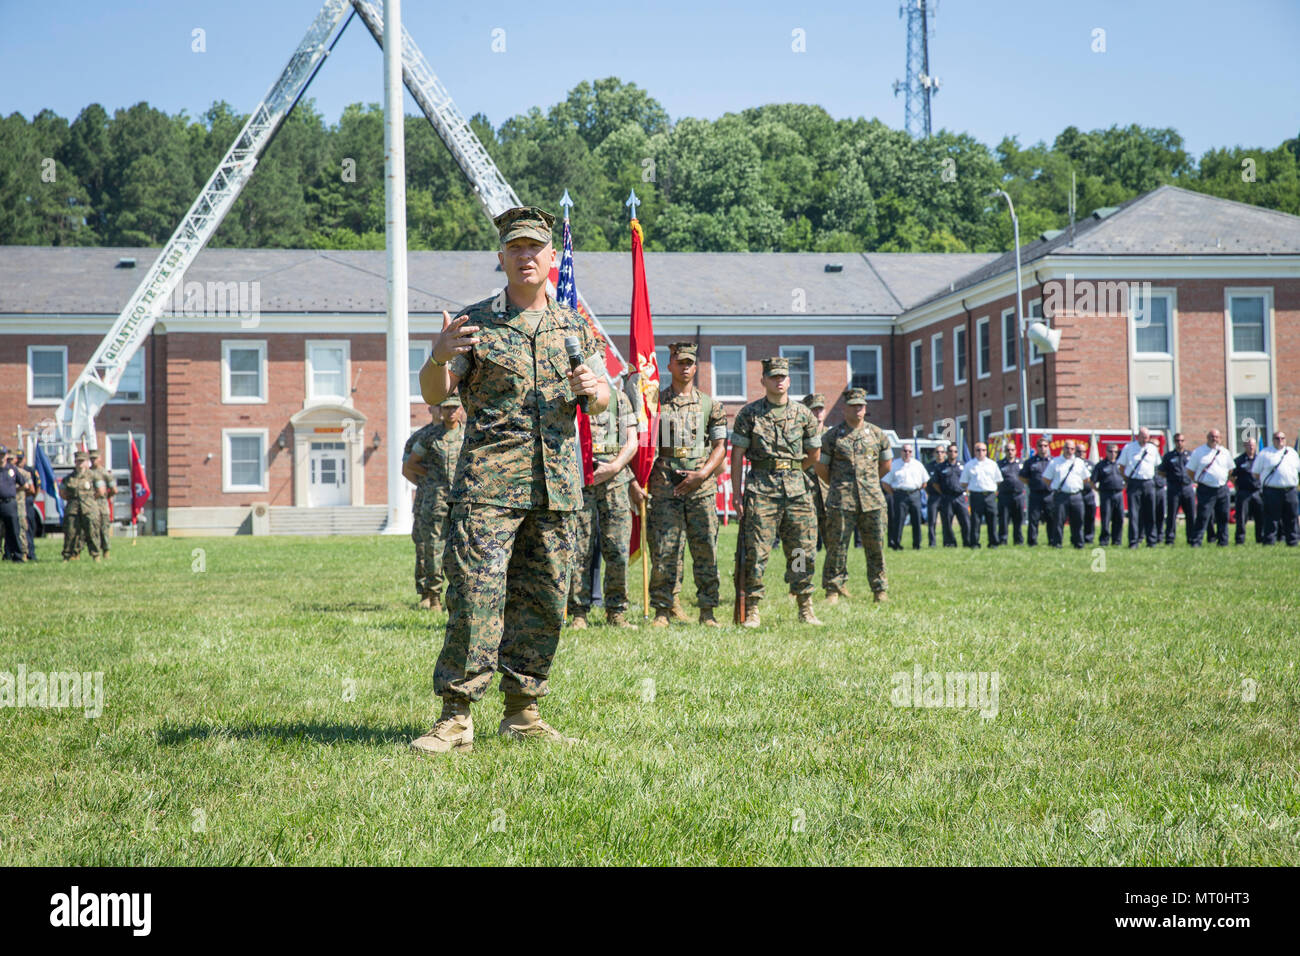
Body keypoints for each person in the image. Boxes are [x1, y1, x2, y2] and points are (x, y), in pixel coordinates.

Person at [410, 204, 609, 755]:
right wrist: (437, 354)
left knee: (545, 598)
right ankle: (456, 716)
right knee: (477, 596)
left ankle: (523, 711)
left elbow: (603, 397)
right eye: (515, 248)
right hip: (489, 487)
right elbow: (434, 392)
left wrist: (595, 388)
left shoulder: (574, 324)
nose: (526, 256)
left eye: (535, 248)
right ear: (501, 258)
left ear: (552, 257)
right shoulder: (473, 324)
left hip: (557, 486)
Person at [731, 356, 824, 627]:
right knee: (757, 551)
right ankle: (753, 609)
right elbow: (737, 456)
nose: (779, 381)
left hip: (797, 491)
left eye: (783, 377)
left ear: (789, 380)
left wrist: (793, 469)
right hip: (761, 489)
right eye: (773, 377)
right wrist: (737, 494)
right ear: (763, 381)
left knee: (800, 549)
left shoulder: (804, 414)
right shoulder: (749, 414)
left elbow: (813, 455)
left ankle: (804, 604)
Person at [647, 342, 728, 627]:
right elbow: (647, 444)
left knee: (705, 549)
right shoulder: (655, 402)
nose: (685, 367)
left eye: (690, 362)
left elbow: (720, 446)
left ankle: (707, 611)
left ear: (696, 367)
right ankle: (662, 609)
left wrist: (703, 474)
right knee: (665, 549)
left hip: (700, 488)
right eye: (679, 361)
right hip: (665, 487)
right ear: (669, 365)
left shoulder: (710, 404)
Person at [568, 376, 640, 629]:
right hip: (580, 480)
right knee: (579, 550)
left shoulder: (619, 398)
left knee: (618, 548)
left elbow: (632, 440)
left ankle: (616, 611)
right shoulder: (570, 396)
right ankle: (578, 612)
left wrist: (615, 467)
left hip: (614, 480)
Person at [816, 387, 892, 605]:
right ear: (844, 409)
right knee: (837, 546)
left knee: (875, 546)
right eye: (853, 406)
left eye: (861, 406)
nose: (858, 410)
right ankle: (833, 588)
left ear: (865, 408)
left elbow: (886, 465)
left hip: (872, 500)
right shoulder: (832, 436)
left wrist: (868, 483)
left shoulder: (877, 434)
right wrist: (839, 485)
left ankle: (879, 589)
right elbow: (821, 468)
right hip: (841, 500)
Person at [403, 396, 463, 611]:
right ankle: (433, 596)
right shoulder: (429, 437)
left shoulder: (468, 435)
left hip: (462, 502)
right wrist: (430, 479)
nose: (450, 412)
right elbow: (410, 465)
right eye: (446, 408)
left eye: (454, 407)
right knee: (432, 548)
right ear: (438, 410)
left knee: (462, 549)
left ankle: (459, 596)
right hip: (436, 501)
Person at [1252, 430, 1299, 546]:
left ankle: (1292, 541)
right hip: (1272, 490)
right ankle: (1269, 541)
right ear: (1273, 440)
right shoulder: (1265, 453)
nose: (1280, 441)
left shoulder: (1292, 453)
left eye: (1282, 438)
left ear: (1285, 440)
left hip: (1290, 490)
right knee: (1271, 518)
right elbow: (1256, 473)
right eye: (1277, 438)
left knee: (1291, 517)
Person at [1042, 439, 1091, 548]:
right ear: (1063, 449)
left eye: (1072, 449)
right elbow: (1046, 478)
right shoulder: (1055, 462)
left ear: (1074, 450)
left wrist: (1075, 485)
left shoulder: (1079, 462)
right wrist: (1056, 486)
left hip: (1076, 495)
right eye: (1067, 448)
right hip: (1061, 496)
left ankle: (1078, 543)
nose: (1069, 451)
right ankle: (1057, 543)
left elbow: (1086, 478)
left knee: (1078, 521)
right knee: (1058, 521)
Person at [1187, 429, 1232, 547]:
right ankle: (1196, 541)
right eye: (1212, 436)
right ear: (1207, 438)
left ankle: (1223, 541)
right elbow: (1190, 470)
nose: (1214, 439)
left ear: (1220, 439)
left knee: (1223, 516)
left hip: (1222, 488)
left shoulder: (1225, 452)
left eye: (1217, 437)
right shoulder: (1199, 452)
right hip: (1206, 489)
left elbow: (1230, 469)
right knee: (1203, 516)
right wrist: (1200, 481)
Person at [1118, 426, 1160, 548]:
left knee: (1150, 513)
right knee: (1134, 514)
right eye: (1143, 437)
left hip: (1148, 483)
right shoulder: (1129, 448)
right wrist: (1127, 479)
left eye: (1147, 437)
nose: (1145, 440)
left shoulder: (1152, 449)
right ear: (1138, 436)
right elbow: (1121, 466)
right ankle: (1133, 541)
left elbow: (1157, 465)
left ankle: (1151, 541)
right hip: (1134, 483)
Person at [885, 443, 927, 550]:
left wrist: (916, 491)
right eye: (905, 451)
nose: (907, 453)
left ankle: (917, 544)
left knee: (917, 520)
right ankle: (896, 544)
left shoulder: (918, 465)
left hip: (914, 494)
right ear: (901, 452)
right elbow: (885, 483)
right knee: (898, 520)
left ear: (912, 453)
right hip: (900, 495)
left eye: (909, 451)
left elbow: (924, 482)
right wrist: (894, 494)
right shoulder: (894, 464)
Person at [959, 441, 1001, 548]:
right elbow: (963, 482)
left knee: (992, 519)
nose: (981, 452)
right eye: (978, 450)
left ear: (986, 451)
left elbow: (998, 480)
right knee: (975, 520)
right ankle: (974, 543)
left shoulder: (993, 464)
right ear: (975, 451)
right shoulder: (969, 465)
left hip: (990, 495)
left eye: (983, 450)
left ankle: (993, 543)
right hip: (976, 496)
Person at [927, 443, 970, 547]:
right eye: (950, 451)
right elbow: (935, 483)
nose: (952, 453)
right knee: (947, 523)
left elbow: (968, 479)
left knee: (965, 521)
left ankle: (968, 542)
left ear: (957, 453)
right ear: (947, 453)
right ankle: (949, 543)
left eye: (955, 451)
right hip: (947, 497)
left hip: (960, 497)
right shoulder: (940, 467)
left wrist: (965, 490)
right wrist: (943, 493)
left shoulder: (963, 465)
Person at [60, 452, 99, 561]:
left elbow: (101, 491)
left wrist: (89, 500)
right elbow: (62, 492)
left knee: (92, 532)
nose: (80, 464)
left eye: (82, 461)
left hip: (89, 508)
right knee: (70, 532)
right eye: (78, 461)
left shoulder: (93, 476)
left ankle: (95, 555)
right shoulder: (69, 478)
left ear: (87, 462)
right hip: (73, 508)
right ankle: (68, 555)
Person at [803, 392, 830, 550]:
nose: (818, 413)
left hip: (828, 493)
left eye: (820, 409)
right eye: (814, 410)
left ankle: (835, 574)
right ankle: (799, 571)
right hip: (806, 492)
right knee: (802, 541)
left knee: (833, 543)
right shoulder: (798, 436)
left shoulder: (832, 436)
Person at [1159, 432, 1195, 545]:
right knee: (1171, 515)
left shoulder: (1190, 455)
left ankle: (1192, 539)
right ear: (1174, 442)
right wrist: (1171, 478)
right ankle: (1170, 539)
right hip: (1174, 489)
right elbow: (1161, 471)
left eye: (1182, 440)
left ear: (1184, 442)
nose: (1180, 443)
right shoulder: (1169, 456)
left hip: (1188, 488)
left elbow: (1196, 469)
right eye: (1177, 441)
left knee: (1190, 515)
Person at [1019, 437, 1053, 546]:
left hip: (1050, 494)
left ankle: (1052, 541)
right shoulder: (1030, 462)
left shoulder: (1053, 462)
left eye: (1045, 446)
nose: (1043, 448)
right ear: (1037, 447)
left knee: (1051, 519)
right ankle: (1032, 542)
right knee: (1033, 520)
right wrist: (1032, 484)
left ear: (1048, 447)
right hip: (1035, 494)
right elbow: (1022, 477)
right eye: (1040, 446)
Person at [1091, 443, 1127, 546]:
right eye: (1110, 451)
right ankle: (1104, 541)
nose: (1113, 454)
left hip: (1119, 494)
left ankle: (1117, 541)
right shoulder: (1101, 465)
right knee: (1106, 519)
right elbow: (1092, 481)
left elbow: (1127, 478)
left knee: (1119, 518)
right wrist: (1098, 490)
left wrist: (1124, 487)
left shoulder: (1121, 465)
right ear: (1106, 452)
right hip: (1106, 494)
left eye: (1115, 452)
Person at [1232, 438, 1264, 545]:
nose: (1251, 447)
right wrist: (1237, 485)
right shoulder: (1239, 460)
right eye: (1248, 445)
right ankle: (1240, 540)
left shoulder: (1260, 459)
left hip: (1257, 492)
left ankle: (1260, 539)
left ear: (1255, 446)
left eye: (1253, 445)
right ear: (1244, 446)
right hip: (1243, 492)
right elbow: (1231, 475)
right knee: (1241, 518)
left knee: (1260, 517)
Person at [996, 440, 1026, 546]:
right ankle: (1002, 540)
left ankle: (1018, 541)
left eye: (1012, 450)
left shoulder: (1021, 463)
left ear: (1015, 451)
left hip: (1018, 495)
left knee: (1018, 520)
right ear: (1005, 451)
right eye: (1008, 450)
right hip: (1004, 496)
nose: (1010, 452)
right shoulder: (999, 464)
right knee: (1003, 520)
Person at [86, 449, 114, 559]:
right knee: (92, 530)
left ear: (100, 459)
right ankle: (94, 553)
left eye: (95, 458)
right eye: (91, 458)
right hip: (89, 505)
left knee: (104, 529)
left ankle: (106, 552)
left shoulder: (105, 473)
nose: (93, 461)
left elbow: (114, 489)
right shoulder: (87, 473)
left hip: (102, 505)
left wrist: (106, 496)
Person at [0, 446, 24, 562]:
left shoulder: (12, 469)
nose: (1, 457)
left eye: (3, 455)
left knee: (13, 531)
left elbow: (24, 483)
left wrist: (13, 491)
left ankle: (18, 556)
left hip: (9, 503)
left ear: (6, 456)